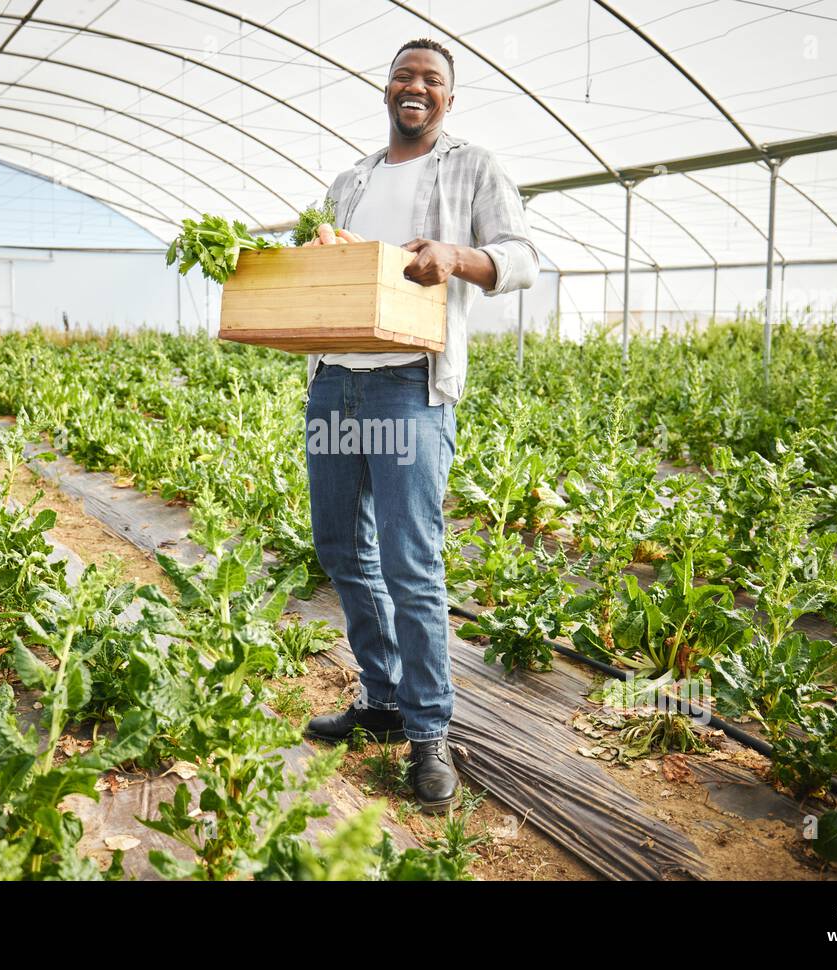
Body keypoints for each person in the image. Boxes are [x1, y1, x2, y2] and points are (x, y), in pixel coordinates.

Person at [301, 38, 539, 811]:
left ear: (448, 98)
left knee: (410, 561)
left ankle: (430, 731)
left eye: (432, 80)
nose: (416, 87)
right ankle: (382, 698)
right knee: (342, 547)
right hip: (337, 385)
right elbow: (331, 270)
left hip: (409, 387)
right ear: (386, 88)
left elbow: (523, 257)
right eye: (404, 74)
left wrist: (453, 256)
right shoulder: (352, 180)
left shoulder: (473, 168)